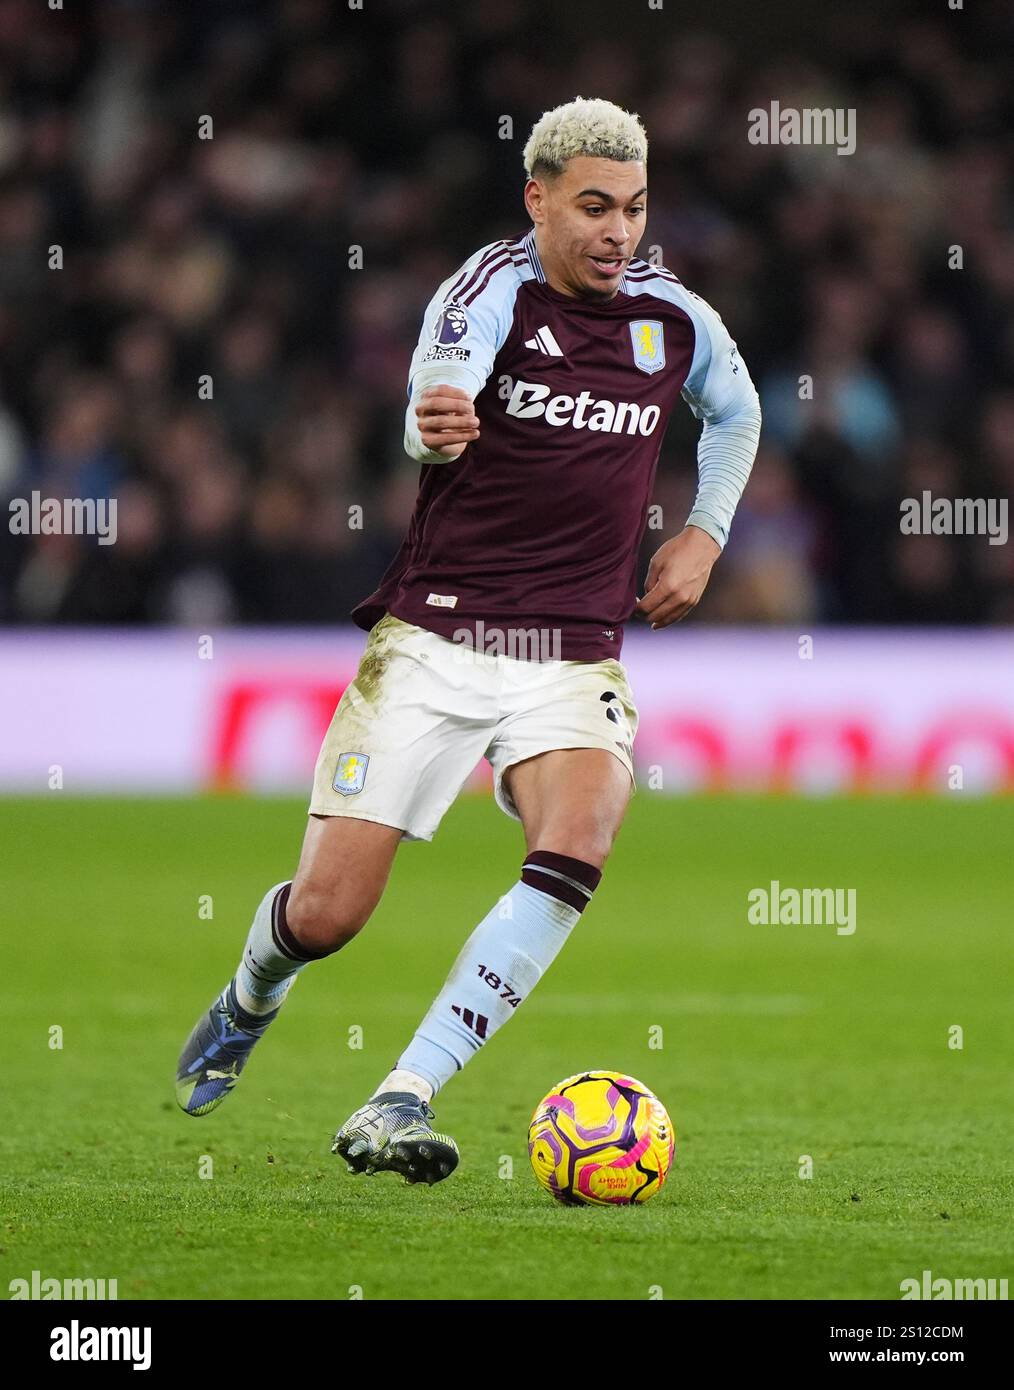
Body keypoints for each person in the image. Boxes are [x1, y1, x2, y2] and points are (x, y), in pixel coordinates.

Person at [175, 96, 761, 1186]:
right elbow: (433, 390)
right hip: (437, 641)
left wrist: (704, 532)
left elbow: (737, 412)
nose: (616, 233)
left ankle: (402, 1093)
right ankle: (254, 988)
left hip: (575, 650)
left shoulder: (673, 319)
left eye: (632, 209)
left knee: (585, 829)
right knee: (329, 913)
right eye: (592, 206)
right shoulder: (489, 290)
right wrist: (434, 416)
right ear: (537, 198)